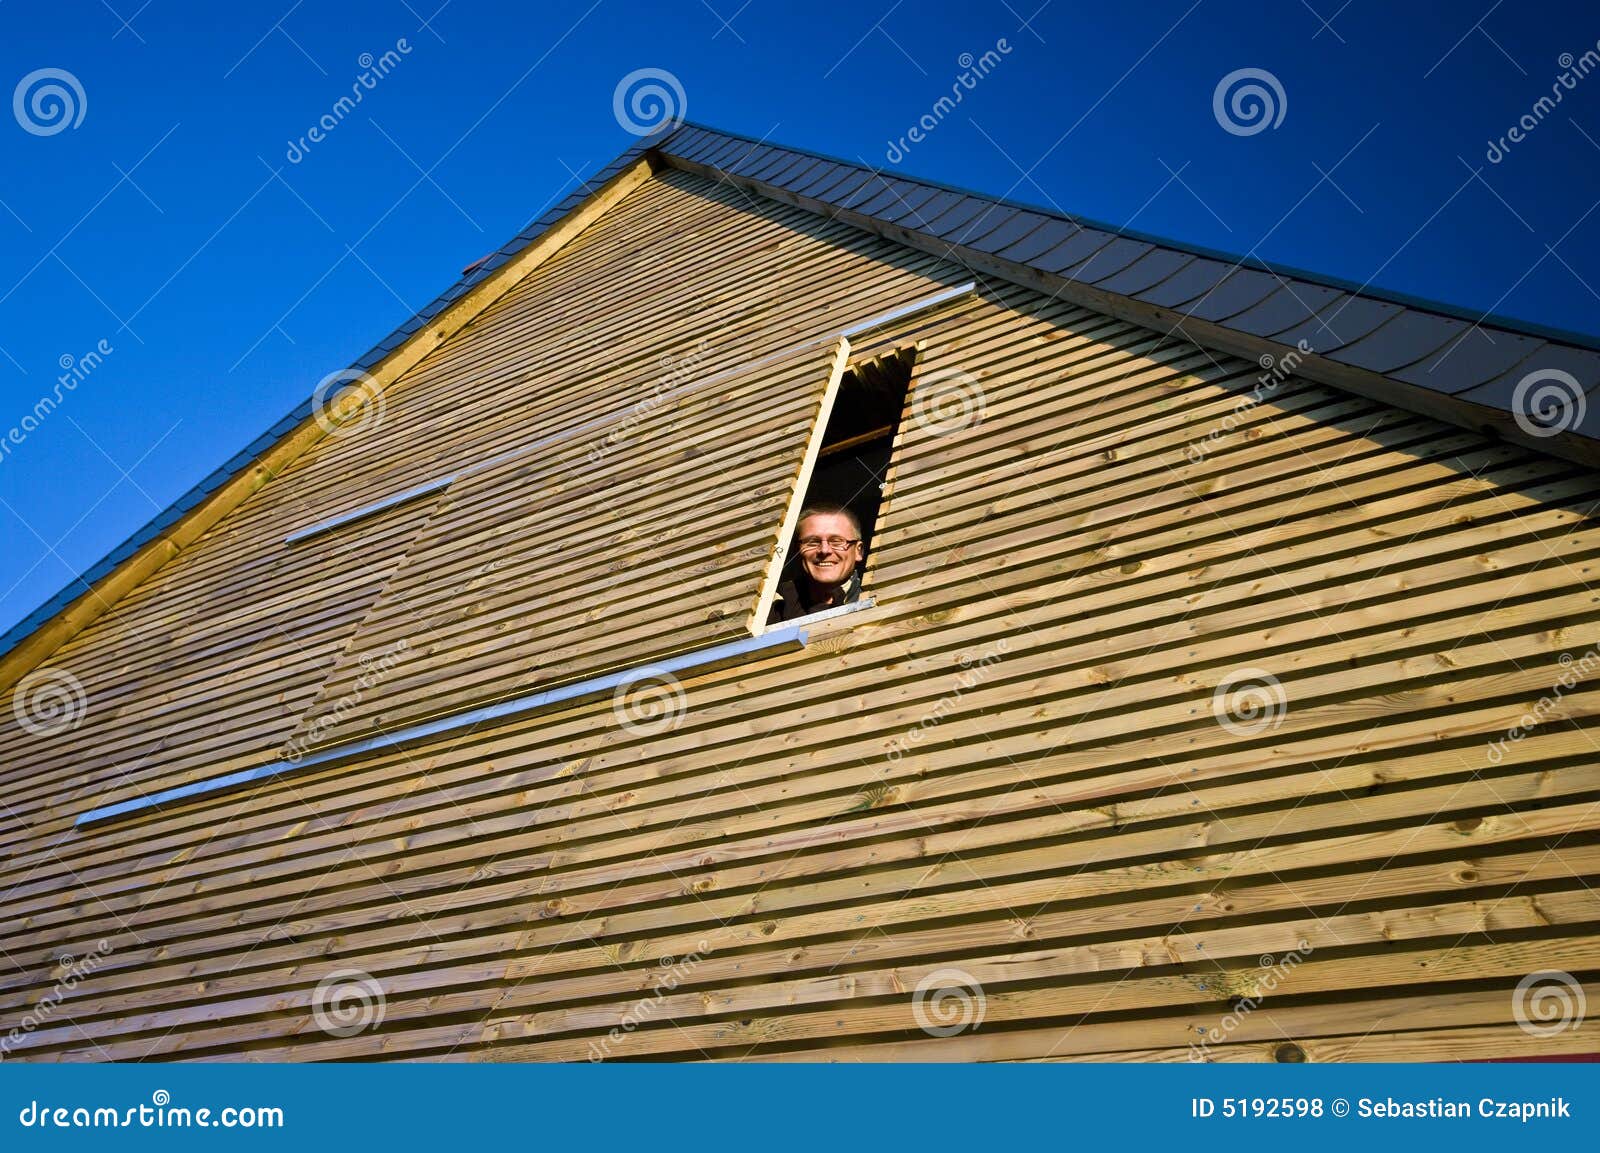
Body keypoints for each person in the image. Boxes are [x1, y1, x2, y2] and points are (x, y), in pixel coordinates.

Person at [767, 503, 865, 624]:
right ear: (797, 550)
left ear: (858, 551)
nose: (824, 550)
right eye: (812, 542)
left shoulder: (871, 601)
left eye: (836, 541)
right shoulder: (770, 605)